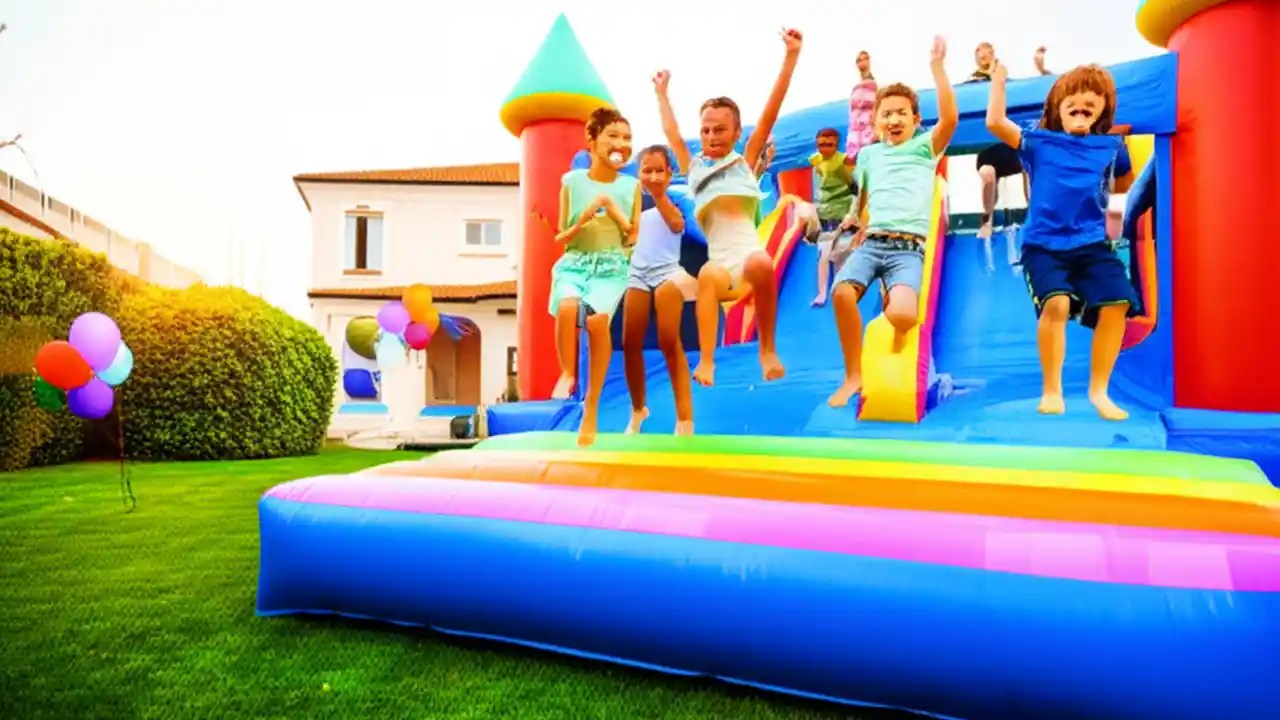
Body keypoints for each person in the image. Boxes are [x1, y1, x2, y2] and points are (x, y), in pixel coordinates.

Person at [986, 61, 1137, 421]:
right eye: (1074, 106)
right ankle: (1052, 390)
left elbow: (1127, 182)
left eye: (1090, 107)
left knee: (1118, 304)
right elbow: (995, 123)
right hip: (1043, 245)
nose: (1081, 112)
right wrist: (998, 82)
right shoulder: (1038, 142)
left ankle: (1099, 391)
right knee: (1056, 305)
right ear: (1059, 108)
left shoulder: (1110, 147)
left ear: (1101, 111)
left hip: (1091, 244)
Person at [653, 28, 803, 388]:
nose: (711, 137)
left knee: (761, 260)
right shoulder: (694, 169)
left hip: (750, 263)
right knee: (707, 274)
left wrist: (791, 57)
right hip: (721, 269)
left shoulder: (744, 162)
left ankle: (766, 349)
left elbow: (771, 111)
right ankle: (707, 359)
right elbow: (672, 133)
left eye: (719, 130)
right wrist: (661, 94)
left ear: (736, 133)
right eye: (705, 130)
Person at [826, 36, 958, 408]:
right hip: (872, 243)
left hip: (908, 249)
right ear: (876, 120)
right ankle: (853, 374)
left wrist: (937, 68)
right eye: (887, 113)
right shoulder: (868, 155)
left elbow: (949, 119)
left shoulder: (924, 147)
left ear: (916, 120)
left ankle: (890, 308)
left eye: (903, 113)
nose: (894, 119)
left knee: (903, 316)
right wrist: (853, 219)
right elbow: (863, 198)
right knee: (841, 293)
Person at [550, 107, 642, 445]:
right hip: (576, 261)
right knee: (567, 306)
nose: (621, 144)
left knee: (597, 321)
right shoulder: (571, 182)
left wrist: (616, 215)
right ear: (592, 140)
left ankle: (591, 406)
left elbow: (632, 239)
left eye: (627, 138)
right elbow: (563, 235)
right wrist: (585, 218)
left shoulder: (631, 185)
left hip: (612, 265)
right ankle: (568, 372)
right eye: (613, 136)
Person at [622, 145, 698, 436]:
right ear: (639, 174)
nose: (652, 176)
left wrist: (658, 194)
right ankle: (639, 409)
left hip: (667, 273)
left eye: (658, 170)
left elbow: (677, 224)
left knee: (669, 340)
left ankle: (685, 419)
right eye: (646, 171)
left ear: (669, 173)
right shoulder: (634, 209)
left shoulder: (673, 201)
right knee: (631, 343)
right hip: (637, 275)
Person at [969, 43, 1051, 242]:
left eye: (989, 53)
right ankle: (986, 220)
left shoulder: (1009, 87)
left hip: (1010, 148)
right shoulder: (971, 87)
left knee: (1029, 163)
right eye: (981, 54)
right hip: (988, 151)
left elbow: (1047, 90)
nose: (985, 56)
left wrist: (1042, 70)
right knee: (988, 174)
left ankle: (1035, 218)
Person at [810, 128, 857, 305]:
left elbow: (856, 189)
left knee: (840, 258)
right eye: (821, 145)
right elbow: (816, 190)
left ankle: (841, 291)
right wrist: (814, 216)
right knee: (823, 256)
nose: (825, 149)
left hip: (843, 218)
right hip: (826, 219)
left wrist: (852, 215)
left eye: (829, 145)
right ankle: (822, 293)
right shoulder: (816, 163)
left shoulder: (844, 163)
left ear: (836, 145)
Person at [846, 50, 878, 166]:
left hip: (870, 135)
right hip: (856, 136)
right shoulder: (856, 90)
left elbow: (876, 108)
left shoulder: (873, 87)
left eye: (865, 59)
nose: (862, 62)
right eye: (859, 60)